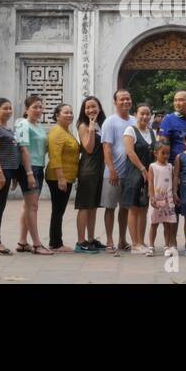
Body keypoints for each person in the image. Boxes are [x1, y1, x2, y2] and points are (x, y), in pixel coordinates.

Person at [0, 97, 35, 255]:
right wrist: (0, 173)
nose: (8, 111)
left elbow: (10, 152)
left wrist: (13, 174)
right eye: (4, 108)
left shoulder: (6, 128)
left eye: (9, 108)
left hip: (7, 172)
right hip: (0, 172)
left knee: (0, 206)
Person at [101, 89, 137, 253]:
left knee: (125, 208)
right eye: (122, 99)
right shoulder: (110, 122)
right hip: (113, 173)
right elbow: (106, 148)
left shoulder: (135, 121)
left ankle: (122, 240)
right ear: (115, 102)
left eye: (128, 99)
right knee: (110, 207)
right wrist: (112, 170)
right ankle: (109, 240)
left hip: (130, 174)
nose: (125, 102)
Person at [15, 95, 51, 255]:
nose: (38, 110)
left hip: (38, 167)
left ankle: (23, 242)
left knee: (27, 206)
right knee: (33, 207)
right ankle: (37, 244)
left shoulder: (38, 125)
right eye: (35, 107)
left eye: (40, 107)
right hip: (29, 169)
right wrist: (28, 173)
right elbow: (23, 149)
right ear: (26, 109)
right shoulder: (23, 124)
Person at [122, 102, 156, 254]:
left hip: (148, 176)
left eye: (147, 113)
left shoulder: (152, 132)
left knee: (144, 208)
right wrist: (143, 169)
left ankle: (141, 242)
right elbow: (130, 152)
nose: (145, 116)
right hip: (134, 174)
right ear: (135, 114)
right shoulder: (131, 130)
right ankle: (135, 243)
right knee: (134, 208)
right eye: (142, 113)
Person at [46, 103, 80, 252]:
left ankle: (55, 241)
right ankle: (55, 243)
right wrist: (60, 178)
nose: (69, 115)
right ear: (57, 115)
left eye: (71, 112)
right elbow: (55, 157)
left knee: (59, 210)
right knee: (58, 210)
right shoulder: (57, 132)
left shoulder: (66, 131)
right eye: (66, 112)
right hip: (58, 177)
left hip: (67, 176)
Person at [74, 96, 106, 254]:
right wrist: (91, 128)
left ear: (99, 108)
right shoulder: (83, 125)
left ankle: (91, 239)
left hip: (99, 170)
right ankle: (81, 242)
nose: (91, 110)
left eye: (94, 106)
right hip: (88, 170)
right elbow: (89, 148)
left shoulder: (103, 124)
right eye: (87, 107)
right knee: (84, 206)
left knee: (93, 206)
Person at [146, 138, 178, 256]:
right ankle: (151, 246)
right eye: (163, 153)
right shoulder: (152, 166)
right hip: (156, 200)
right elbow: (150, 182)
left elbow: (173, 181)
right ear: (155, 153)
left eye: (168, 153)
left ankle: (166, 245)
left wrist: (174, 194)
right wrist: (152, 197)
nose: (166, 155)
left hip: (168, 200)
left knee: (167, 223)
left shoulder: (170, 166)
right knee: (153, 223)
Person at [159, 90, 186, 160]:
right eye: (175, 100)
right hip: (176, 164)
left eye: (181, 100)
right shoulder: (168, 119)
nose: (177, 103)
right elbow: (162, 145)